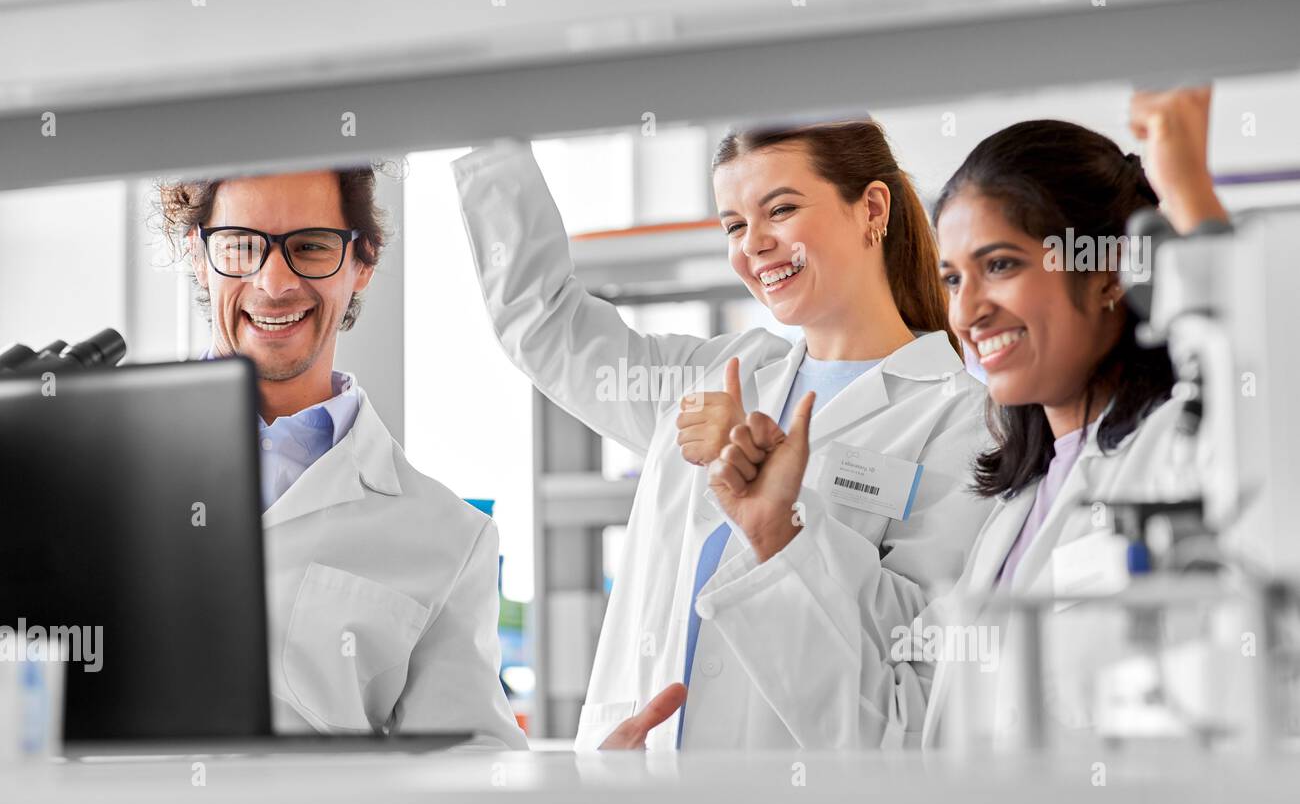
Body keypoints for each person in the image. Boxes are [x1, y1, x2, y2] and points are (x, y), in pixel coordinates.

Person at [707, 87, 1229, 748]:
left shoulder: (1183, 452)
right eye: (954, 279)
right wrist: (775, 534)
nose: (969, 311)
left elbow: (1263, 401)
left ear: (1109, 273)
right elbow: (899, 740)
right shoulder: (1012, 510)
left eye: (1001, 265)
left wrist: (1194, 206)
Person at [454, 120, 992, 750]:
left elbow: (913, 657)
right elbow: (545, 327)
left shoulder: (962, 422)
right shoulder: (711, 378)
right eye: (734, 225)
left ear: (871, 209)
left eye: (781, 209)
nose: (754, 245)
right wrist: (490, 127)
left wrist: (787, 519)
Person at [158, 167, 527, 748]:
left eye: (309, 247)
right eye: (240, 246)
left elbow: (467, 773)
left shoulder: (450, 537)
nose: (273, 281)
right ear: (199, 256)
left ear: (363, 262)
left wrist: (587, 790)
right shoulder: (78, 462)